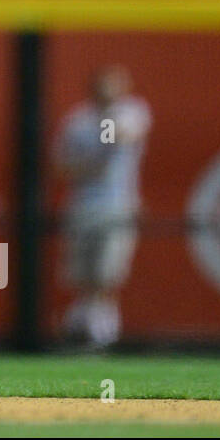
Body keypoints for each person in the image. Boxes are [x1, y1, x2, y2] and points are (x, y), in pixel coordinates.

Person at [53, 65, 152, 348]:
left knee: (107, 271)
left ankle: (102, 331)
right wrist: (88, 165)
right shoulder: (78, 119)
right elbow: (61, 165)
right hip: (82, 205)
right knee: (81, 272)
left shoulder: (132, 111)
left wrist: (104, 137)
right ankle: (80, 325)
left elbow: (122, 137)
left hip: (116, 204)